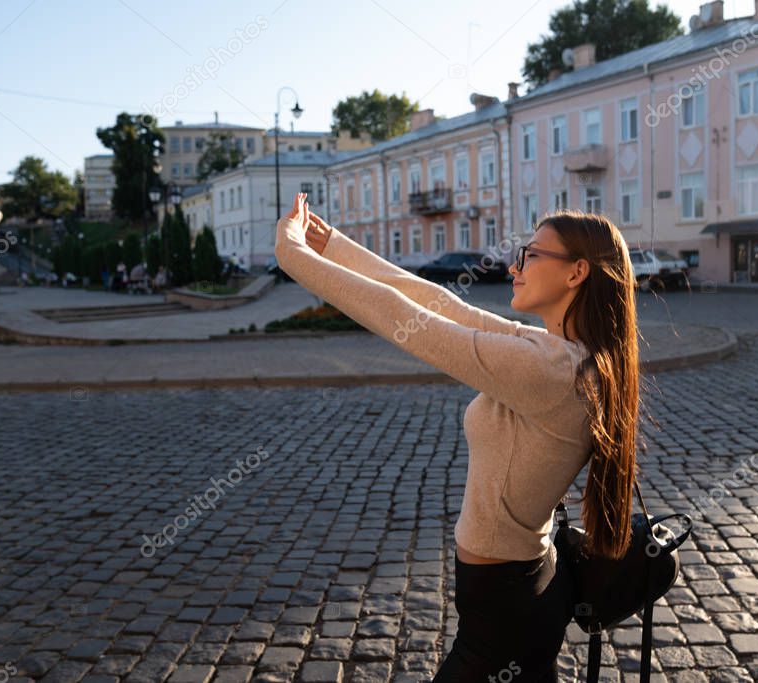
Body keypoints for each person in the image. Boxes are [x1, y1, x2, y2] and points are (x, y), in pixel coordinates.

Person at [274, 193, 640, 681]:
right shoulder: (562, 353)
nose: (516, 267)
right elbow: (440, 304)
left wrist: (291, 252)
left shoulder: (550, 370)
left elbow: (407, 322)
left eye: (531, 254)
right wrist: (335, 247)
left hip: (504, 614)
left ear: (576, 273)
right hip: (526, 590)